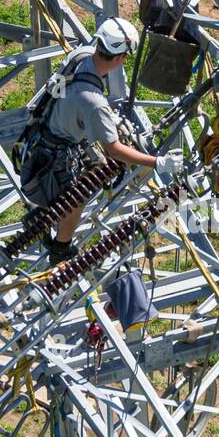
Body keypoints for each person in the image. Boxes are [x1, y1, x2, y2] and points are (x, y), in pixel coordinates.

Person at [17, 18, 184, 265]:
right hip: (53, 155)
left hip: (41, 132)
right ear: (119, 58)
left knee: (94, 164)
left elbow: (58, 89)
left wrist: (74, 115)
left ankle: (48, 214)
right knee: (77, 197)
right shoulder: (94, 103)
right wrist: (157, 162)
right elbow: (114, 149)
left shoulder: (79, 55)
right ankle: (61, 248)